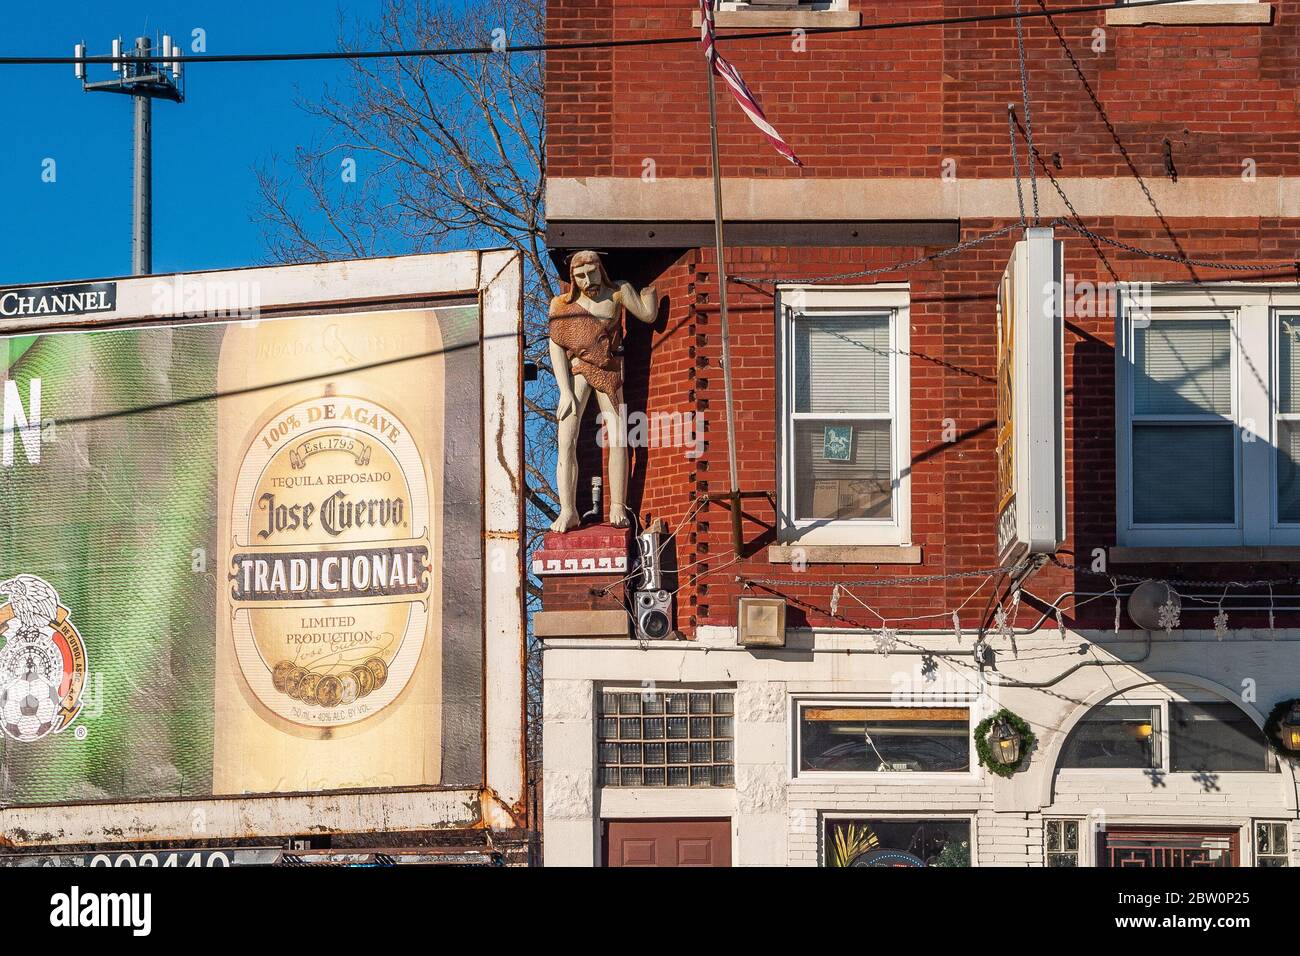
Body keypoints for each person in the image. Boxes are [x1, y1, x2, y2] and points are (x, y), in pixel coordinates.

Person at [548, 250, 657, 531]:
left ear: (601, 270)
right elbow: (557, 346)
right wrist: (564, 390)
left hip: (609, 370)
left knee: (618, 434)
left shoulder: (618, 292)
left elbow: (646, 315)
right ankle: (568, 510)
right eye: (580, 276)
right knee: (566, 439)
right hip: (576, 371)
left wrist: (650, 296)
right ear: (572, 278)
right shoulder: (561, 304)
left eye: (591, 273)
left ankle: (617, 506)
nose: (587, 280)